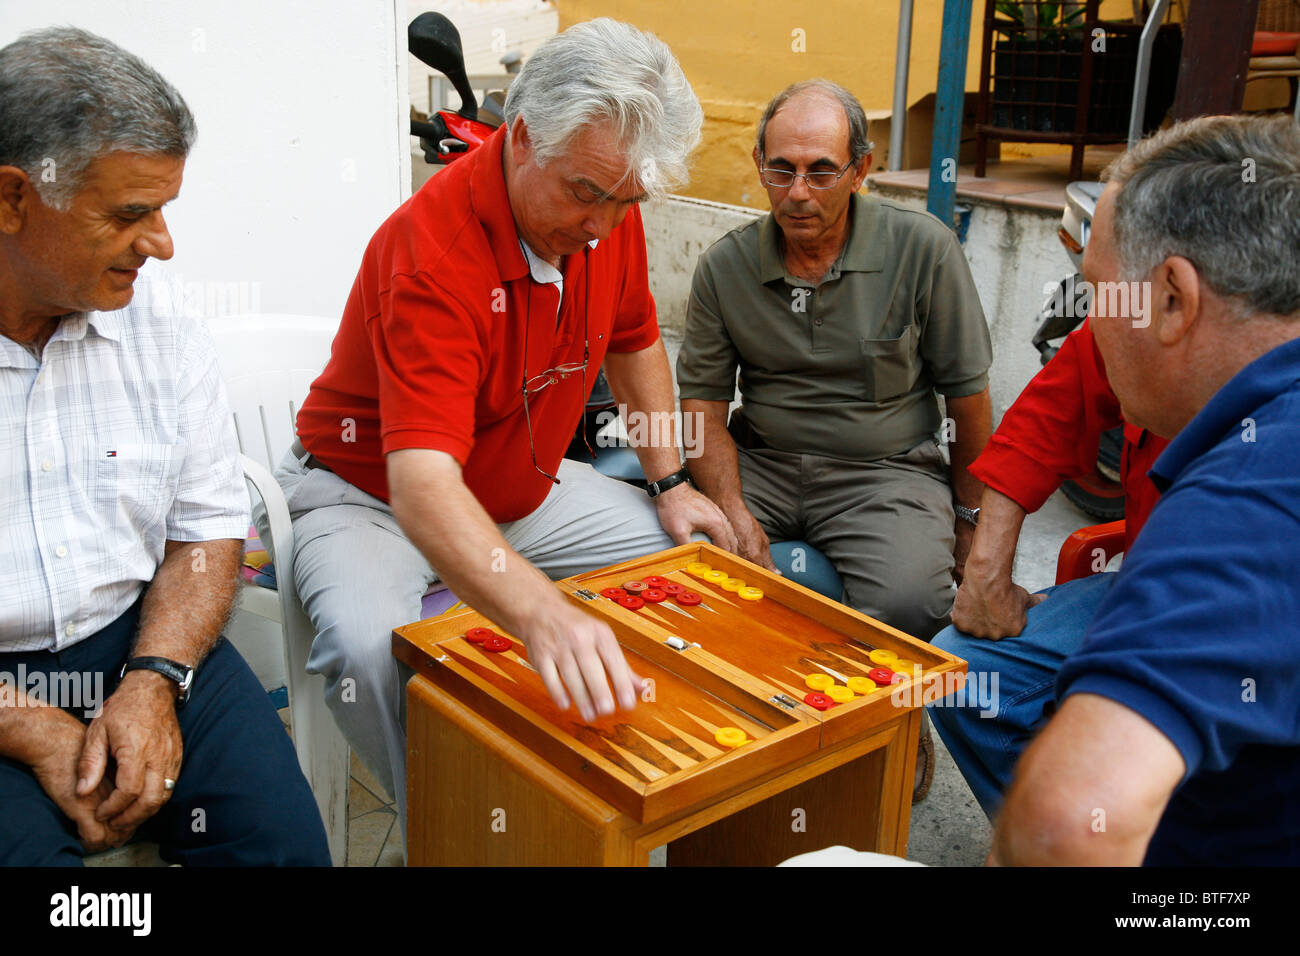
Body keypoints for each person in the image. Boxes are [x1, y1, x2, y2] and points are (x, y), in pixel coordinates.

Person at [277, 19, 734, 829]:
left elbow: (634, 344)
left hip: (519, 494)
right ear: (522, 139)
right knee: (364, 643)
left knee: (694, 561)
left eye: (627, 200)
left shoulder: (608, 213)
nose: (601, 224)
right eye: (585, 193)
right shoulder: (432, 253)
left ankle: (638, 785)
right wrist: (541, 613)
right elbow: (422, 489)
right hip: (370, 498)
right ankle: (457, 825)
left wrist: (670, 481)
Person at [0, 27, 330, 866]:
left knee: (281, 848)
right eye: (129, 214)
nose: (162, 244)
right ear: (11, 200)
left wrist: (154, 679)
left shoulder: (162, 324)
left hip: (140, 639)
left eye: (165, 209)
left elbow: (207, 524)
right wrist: (27, 723)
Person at [990, 113, 1300, 865]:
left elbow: (1065, 820)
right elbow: (1044, 416)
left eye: (1098, 294)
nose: (1089, 326)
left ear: (1172, 298)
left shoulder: (1249, 494)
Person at [676, 79, 993, 643]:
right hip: (762, 464)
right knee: (686, 567)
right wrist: (730, 507)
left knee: (913, 604)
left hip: (885, 472)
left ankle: (868, 725)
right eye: (781, 170)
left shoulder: (923, 249)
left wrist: (971, 527)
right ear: (758, 164)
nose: (798, 193)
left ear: (860, 170)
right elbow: (702, 404)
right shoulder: (725, 267)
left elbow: (968, 401)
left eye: (821, 171)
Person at [927, 316, 1168, 818]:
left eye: (1101, 281)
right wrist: (985, 569)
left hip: (1250, 619)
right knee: (960, 673)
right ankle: (1045, 839)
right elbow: (1054, 408)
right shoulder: (1138, 314)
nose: (1099, 307)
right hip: (1144, 586)